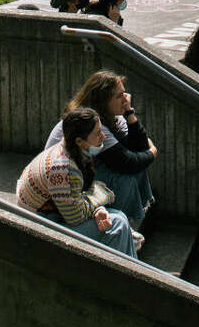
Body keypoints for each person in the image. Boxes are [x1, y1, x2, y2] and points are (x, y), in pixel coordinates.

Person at [17, 106, 140, 257]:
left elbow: (76, 196)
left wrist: (97, 209)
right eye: (97, 134)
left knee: (119, 216)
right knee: (118, 226)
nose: (103, 136)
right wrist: (98, 200)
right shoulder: (63, 167)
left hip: (55, 212)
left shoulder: (73, 149)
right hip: (41, 227)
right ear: (80, 141)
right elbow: (74, 216)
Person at [46, 72, 157, 226]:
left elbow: (137, 146)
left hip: (84, 166)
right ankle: (122, 222)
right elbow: (128, 162)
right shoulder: (91, 123)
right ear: (104, 100)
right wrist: (152, 153)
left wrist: (130, 113)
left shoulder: (114, 116)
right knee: (126, 179)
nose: (125, 98)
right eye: (120, 96)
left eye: (125, 93)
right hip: (62, 179)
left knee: (136, 169)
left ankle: (127, 219)